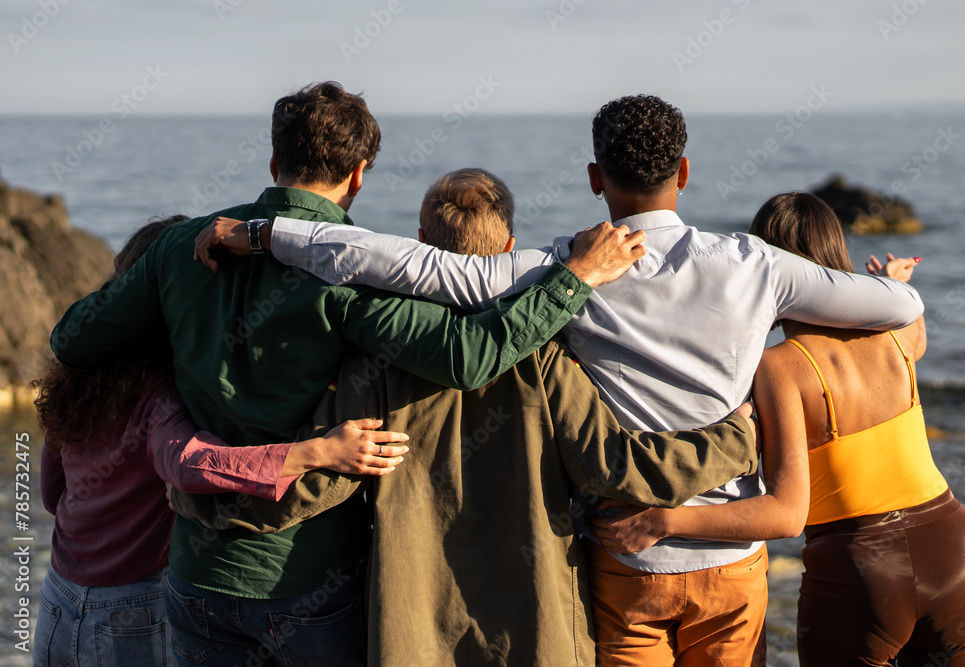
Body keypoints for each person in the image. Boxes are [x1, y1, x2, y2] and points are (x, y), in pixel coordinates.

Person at [195, 95, 925, 665]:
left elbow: (419, 268)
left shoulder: (566, 268)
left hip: (628, 559)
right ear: (684, 172)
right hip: (732, 558)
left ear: (594, 179)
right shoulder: (756, 266)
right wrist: (885, 291)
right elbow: (898, 308)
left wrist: (266, 234)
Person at [48, 82, 645, 665]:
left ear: (275, 161)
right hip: (310, 576)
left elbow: (73, 341)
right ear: (359, 175)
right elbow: (468, 357)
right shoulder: (356, 270)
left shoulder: (181, 245)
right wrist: (575, 278)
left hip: (198, 575)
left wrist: (184, 338)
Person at [172, 167, 760, 665]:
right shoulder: (545, 354)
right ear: (510, 251)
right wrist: (740, 435)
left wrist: (199, 498)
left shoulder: (377, 363)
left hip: (414, 630)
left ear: (421, 243)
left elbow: (316, 481)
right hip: (536, 625)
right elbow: (617, 466)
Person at [592, 192, 965, 665]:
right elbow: (912, 323)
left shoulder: (779, 368)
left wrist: (663, 522)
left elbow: (786, 516)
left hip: (862, 573)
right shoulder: (898, 335)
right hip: (960, 558)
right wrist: (885, 285)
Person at [33, 216, 415, 667]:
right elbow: (190, 464)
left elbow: (52, 495)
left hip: (58, 600)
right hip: (130, 611)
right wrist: (319, 451)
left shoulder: (75, 382)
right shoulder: (159, 396)